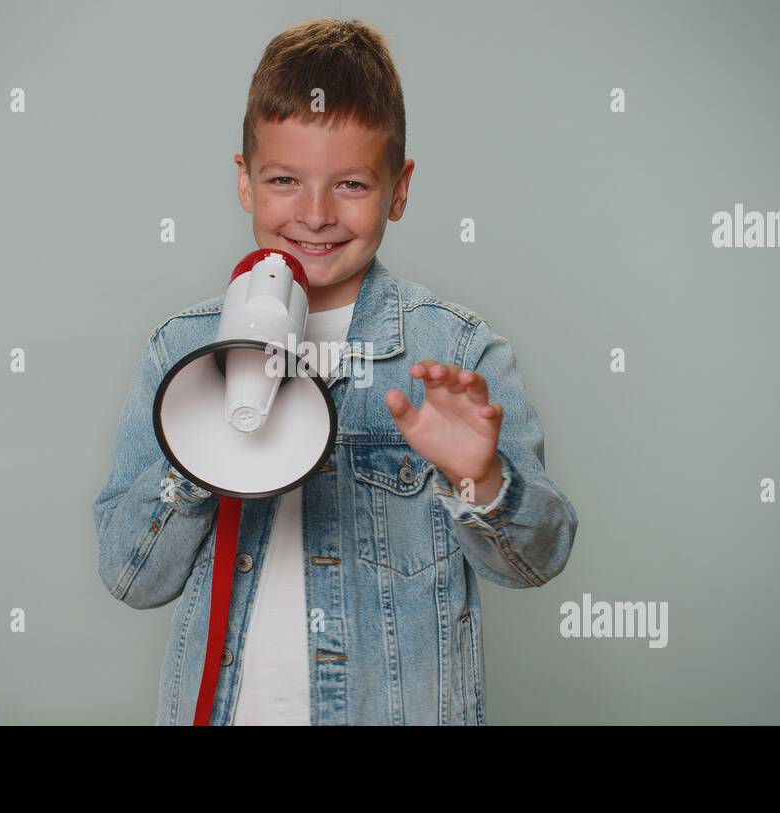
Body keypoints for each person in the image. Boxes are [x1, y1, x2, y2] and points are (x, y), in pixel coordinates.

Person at [93, 17, 578, 725]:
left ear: (399, 189)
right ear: (246, 183)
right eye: (285, 180)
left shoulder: (455, 352)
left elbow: (536, 560)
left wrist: (481, 479)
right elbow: (130, 578)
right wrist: (200, 450)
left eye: (351, 183)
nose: (315, 215)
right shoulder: (182, 350)